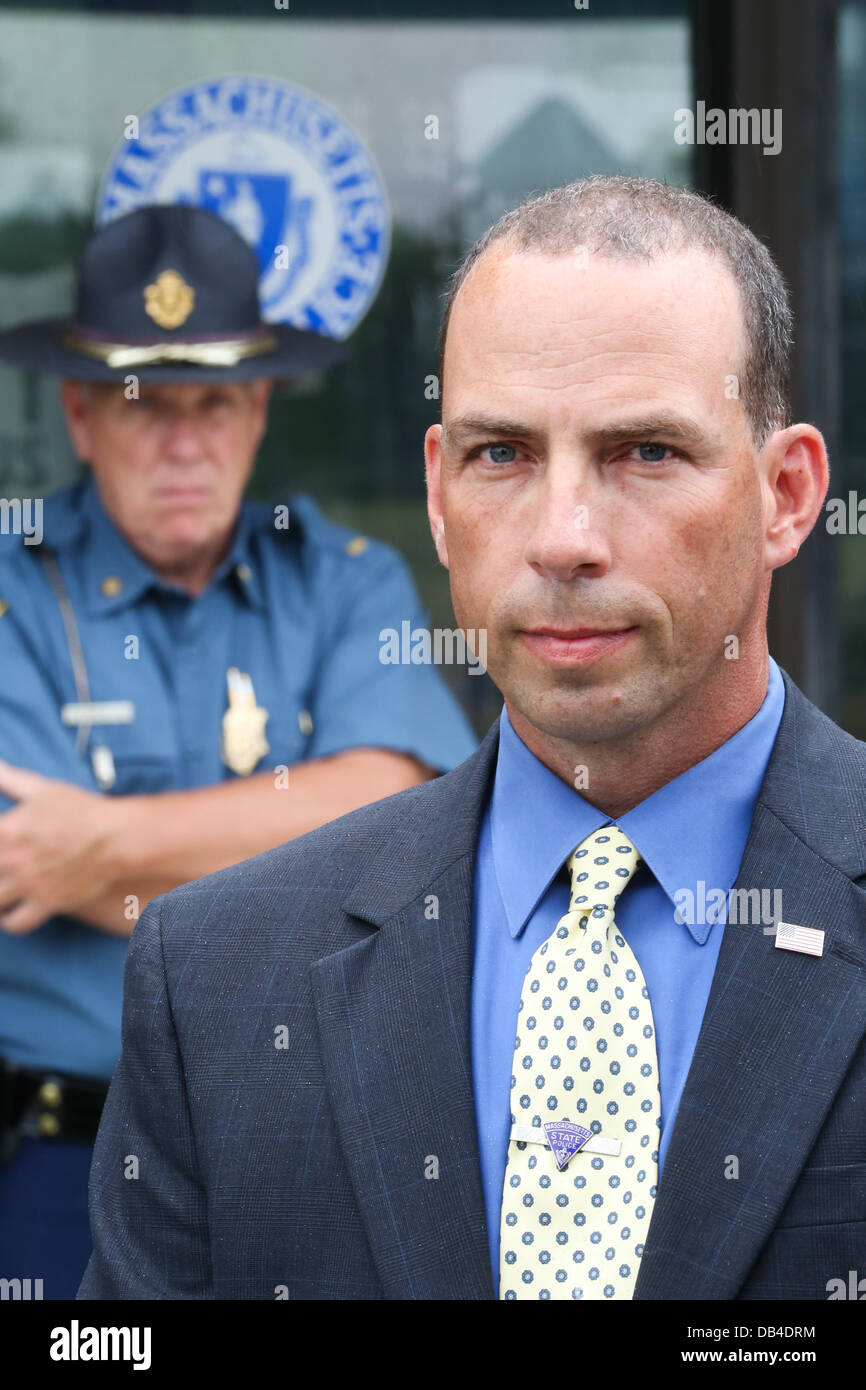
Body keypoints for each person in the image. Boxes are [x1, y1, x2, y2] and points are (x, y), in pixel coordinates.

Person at [78, 176, 864, 1302]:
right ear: (440, 498)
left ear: (786, 496)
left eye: (645, 452)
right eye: (502, 455)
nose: (562, 539)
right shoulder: (213, 980)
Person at [0, 202, 477, 1299]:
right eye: (143, 403)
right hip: (52, 1163)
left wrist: (102, 843)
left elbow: (399, 818)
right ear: (80, 413)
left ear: (257, 410)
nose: (184, 442)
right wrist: (304, 845)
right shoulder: (12, 585)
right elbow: (22, 856)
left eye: (213, 401)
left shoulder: (344, 582)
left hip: (308, 1152)